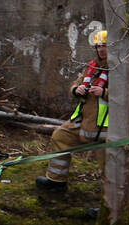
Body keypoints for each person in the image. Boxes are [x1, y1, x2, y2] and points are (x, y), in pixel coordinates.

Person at [36, 29, 109, 190]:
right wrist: (77, 90)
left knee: (110, 168)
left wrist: (104, 92)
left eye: (104, 46)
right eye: (98, 46)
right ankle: (56, 181)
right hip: (83, 121)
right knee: (60, 136)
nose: (101, 49)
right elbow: (76, 83)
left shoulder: (119, 69)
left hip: (105, 129)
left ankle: (109, 208)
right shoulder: (93, 67)